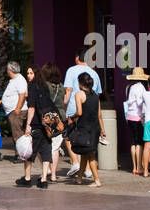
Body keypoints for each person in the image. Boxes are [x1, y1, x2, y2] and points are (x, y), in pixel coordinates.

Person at [62, 48, 102, 177]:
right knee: (87, 138)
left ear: (77, 57)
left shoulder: (71, 70)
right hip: (90, 110)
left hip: (74, 107)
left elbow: (68, 91)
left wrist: (65, 107)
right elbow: (98, 94)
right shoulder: (94, 73)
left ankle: (75, 162)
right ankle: (88, 169)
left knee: (68, 136)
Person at [17, 65, 57, 189]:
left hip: (36, 124)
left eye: (31, 73)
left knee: (29, 151)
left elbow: (32, 108)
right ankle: (44, 179)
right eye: (27, 73)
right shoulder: (44, 86)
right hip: (47, 124)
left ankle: (27, 178)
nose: (28, 75)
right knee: (45, 151)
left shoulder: (32, 87)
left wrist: (28, 125)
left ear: (36, 74)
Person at [69, 72, 105, 187]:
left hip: (85, 128)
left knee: (90, 155)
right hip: (95, 128)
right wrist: (103, 130)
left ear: (80, 83)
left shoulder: (79, 94)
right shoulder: (95, 95)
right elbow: (99, 115)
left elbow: (79, 112)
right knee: (86, 152)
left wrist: (71, 117)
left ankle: (97, 180)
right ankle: (79, 178)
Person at [0, 61, 28, 162]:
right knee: (15, 133)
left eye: (7, 69)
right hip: (12, 111)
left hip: (17, 111)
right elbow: (11, 94)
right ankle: (18, 154)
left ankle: (21, 155)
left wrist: (17, 108)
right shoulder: (14, 80)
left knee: (18, 134)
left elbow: (22, 95)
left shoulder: (20, 80)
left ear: (10, 70)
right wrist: (1, 101)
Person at [43, 63, 67, 182]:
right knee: (55, 147)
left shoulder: (45, 86)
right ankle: (53, 174)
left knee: (44, 144)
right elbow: (64, 101)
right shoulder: (61, 87)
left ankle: (47, 169)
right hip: (60, 118)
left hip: (47, 117)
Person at [124, 66, 148, 175]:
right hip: (138, 116)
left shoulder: (128, 87)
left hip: (129, 116)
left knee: (133, 142)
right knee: (139, 142)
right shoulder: (140, 87)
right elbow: (140, 102)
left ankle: (134, 167)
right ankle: (139, 167)